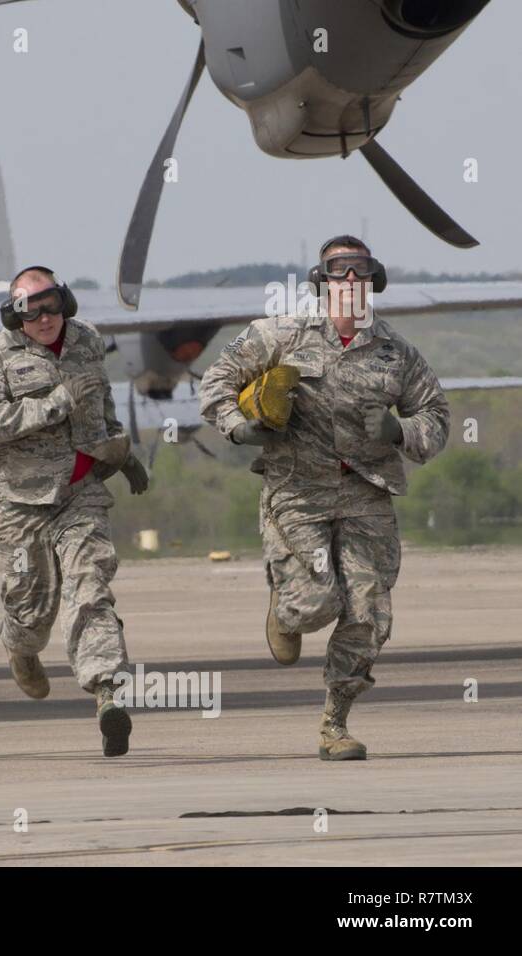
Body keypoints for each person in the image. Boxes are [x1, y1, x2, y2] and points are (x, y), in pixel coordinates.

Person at [198, 235, 449, 760]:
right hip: (297, 491)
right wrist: (238, 427)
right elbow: (217, 379)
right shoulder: (280, 335)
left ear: (373, 280)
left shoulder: (396, 354)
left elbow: (437, 418)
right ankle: (286, 611)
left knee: (368, 610)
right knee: (317, 601)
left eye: (360, 271)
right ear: (322, 282)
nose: (350, 281)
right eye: (340, 272)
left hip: (366, 493)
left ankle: (335, 725)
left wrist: (399, 431)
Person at [0, 266, 149, 757]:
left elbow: (101, 404)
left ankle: (108, 692)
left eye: (51, 306)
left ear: (64, 303)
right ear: (15, 316)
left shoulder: (87, 340)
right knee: (31, 608)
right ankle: (20, 646)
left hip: (80, 493)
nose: (44, 319)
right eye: (31, 312)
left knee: (91, 587)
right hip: (20, 503)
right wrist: (54, 403)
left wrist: (121, 452)